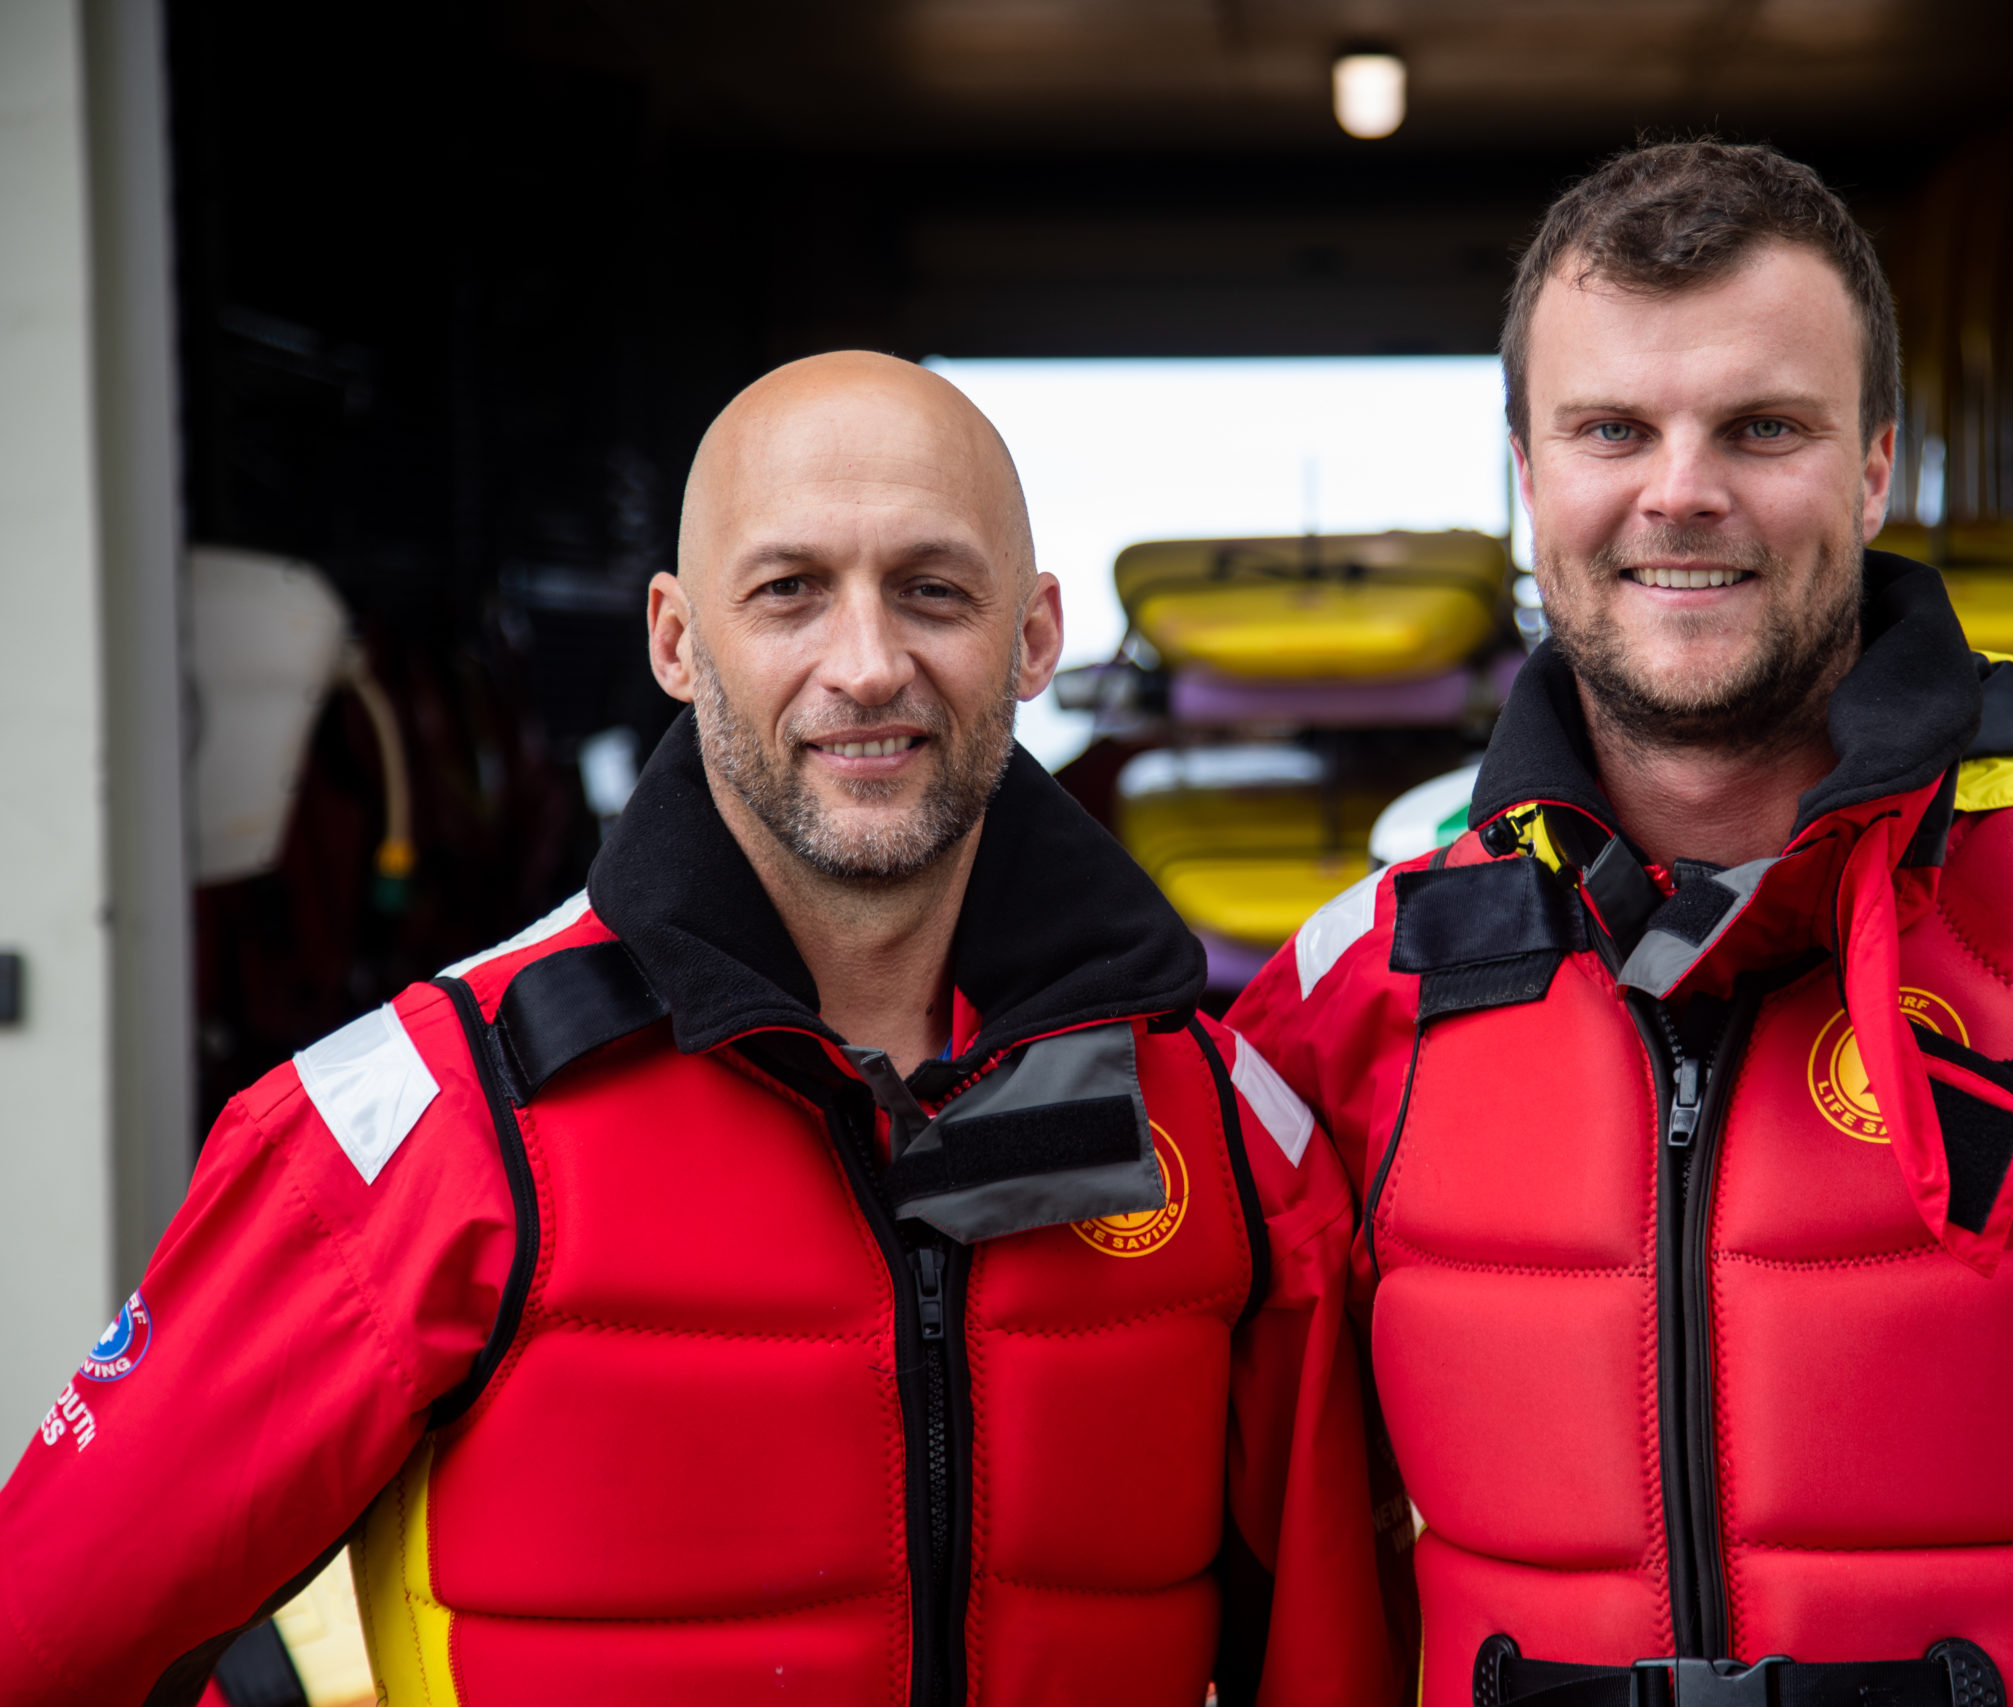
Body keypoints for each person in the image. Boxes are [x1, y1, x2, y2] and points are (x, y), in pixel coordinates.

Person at [1225, 141, 2013, 1705]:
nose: (1680, 491)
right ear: (1529, 474)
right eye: (1612, 428)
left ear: (1879, 466)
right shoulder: (1353, 999)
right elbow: (1281, 1594)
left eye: (1763, 428)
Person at [0, 353, 1397, 1707]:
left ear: (1033, 636)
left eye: (932, 589)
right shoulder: (419, 1130)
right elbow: (41, 1640)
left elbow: (1332, 1662)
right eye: (790, 591)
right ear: (676, 639)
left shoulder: (1231, 1133)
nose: (868, 666)